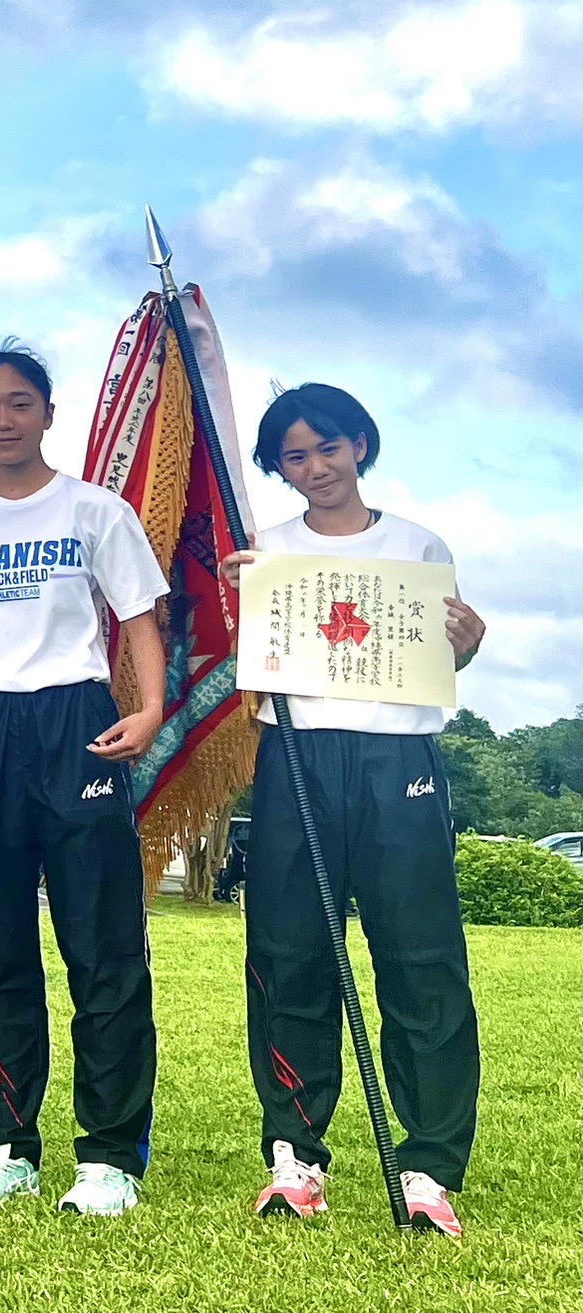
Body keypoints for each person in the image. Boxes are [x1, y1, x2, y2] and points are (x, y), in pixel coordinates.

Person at [0, 344, 169, 1218]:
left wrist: (150, 708)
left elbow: (139, 615)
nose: (3, 418)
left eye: (19, 402)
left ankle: (109, 1155)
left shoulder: (94, 509)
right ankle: (6, 1144)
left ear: (47, 413)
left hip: (75, 721)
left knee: (101, 941)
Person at [226, 383, 485, 1237]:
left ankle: (429, 1165)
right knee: (288, 952)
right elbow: (246, 661)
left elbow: (440, 656)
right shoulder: (266, 551)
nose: (315, 467)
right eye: (294, 456)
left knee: (419, 955)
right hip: (296, 752)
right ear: (277, 467)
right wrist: (238, 599)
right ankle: (294, 1155)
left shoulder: (417, 544)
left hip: (396, 757)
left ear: (360, 445)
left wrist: (466, 642)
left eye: (327, 447)